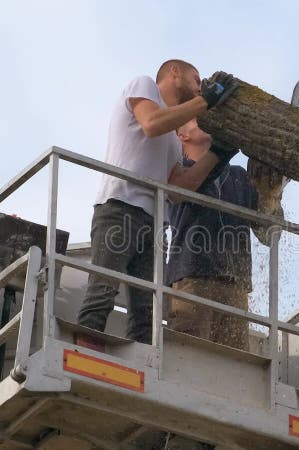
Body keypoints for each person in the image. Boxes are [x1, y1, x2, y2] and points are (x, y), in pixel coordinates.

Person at [76, 60, 239, 348]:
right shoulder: (143, 85)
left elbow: (178, 189)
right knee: (103, 289)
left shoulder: (175, 142)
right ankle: (86, 350)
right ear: (174, 72)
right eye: (195, 78)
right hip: (119, 207)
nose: (200, 85)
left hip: (154, 223)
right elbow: (151, 124)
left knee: (147, 309)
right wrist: (206, 101)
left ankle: (141, 361)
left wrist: (219, 153)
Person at [165, 118, 265, 351]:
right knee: (187, 354)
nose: (208, 121)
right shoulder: (178, 172)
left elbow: (269, 232)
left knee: (235, 363)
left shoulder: (240, 176)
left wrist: (273, 188)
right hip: (191, 276)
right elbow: (200, 179)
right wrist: (224, 150)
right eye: (197, 119)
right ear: (182, 135)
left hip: (235, 286)